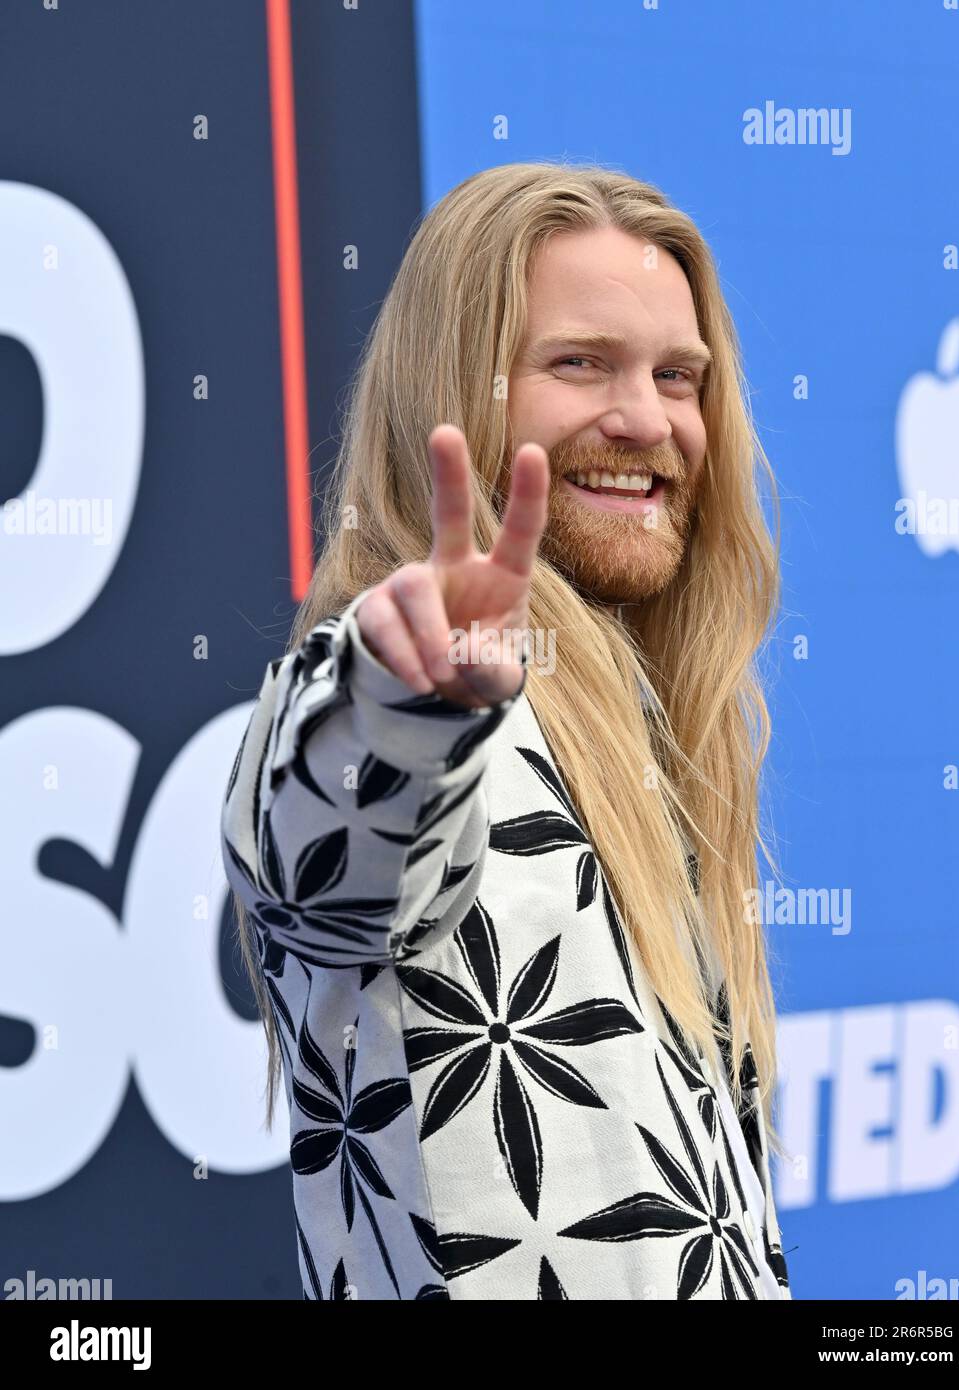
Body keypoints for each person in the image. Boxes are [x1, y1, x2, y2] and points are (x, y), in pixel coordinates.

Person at [220, 161, 791, 1300]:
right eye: (578, 363)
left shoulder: (653, 735)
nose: (646, 418)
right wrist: (409, 692)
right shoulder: (395, 712)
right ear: (453, 390)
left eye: (679, 375)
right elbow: (332, 848)